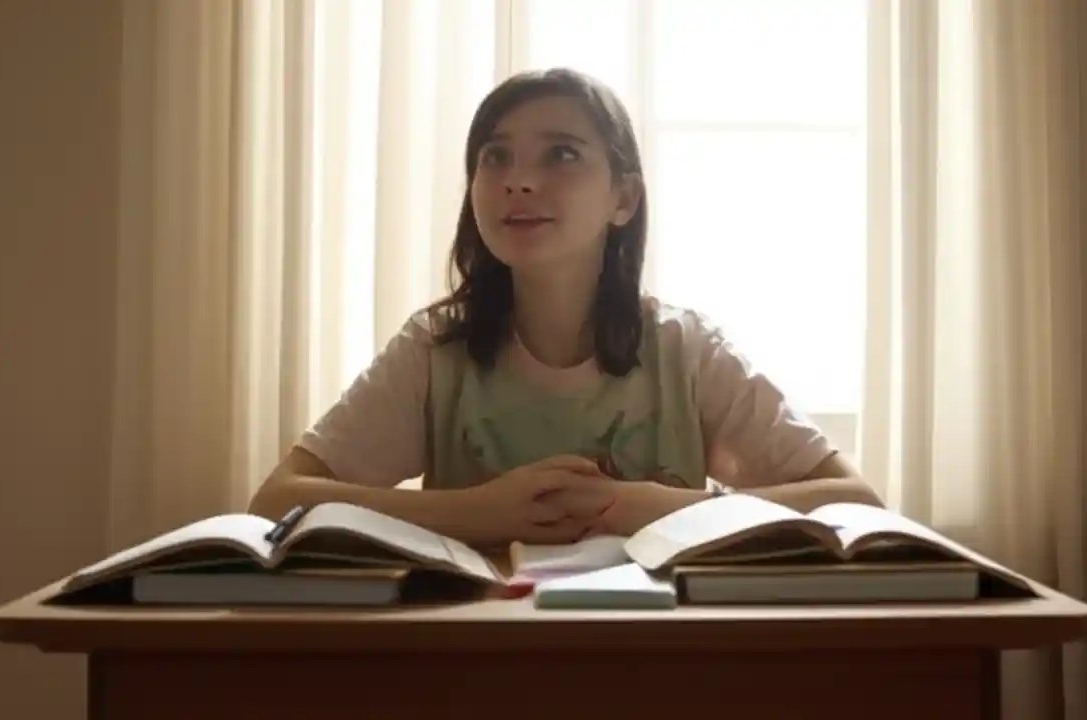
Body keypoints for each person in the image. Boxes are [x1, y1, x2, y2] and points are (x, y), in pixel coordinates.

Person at [248, 67, 881, 546]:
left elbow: (854, 501)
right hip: (474, 653)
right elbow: (277, 501)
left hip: (661, 653)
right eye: (496, 156)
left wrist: (638, 505)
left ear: (623, 199)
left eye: (562, 154)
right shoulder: (435, 348)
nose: (519, 180)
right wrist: (482, 512)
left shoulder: (685, 350)